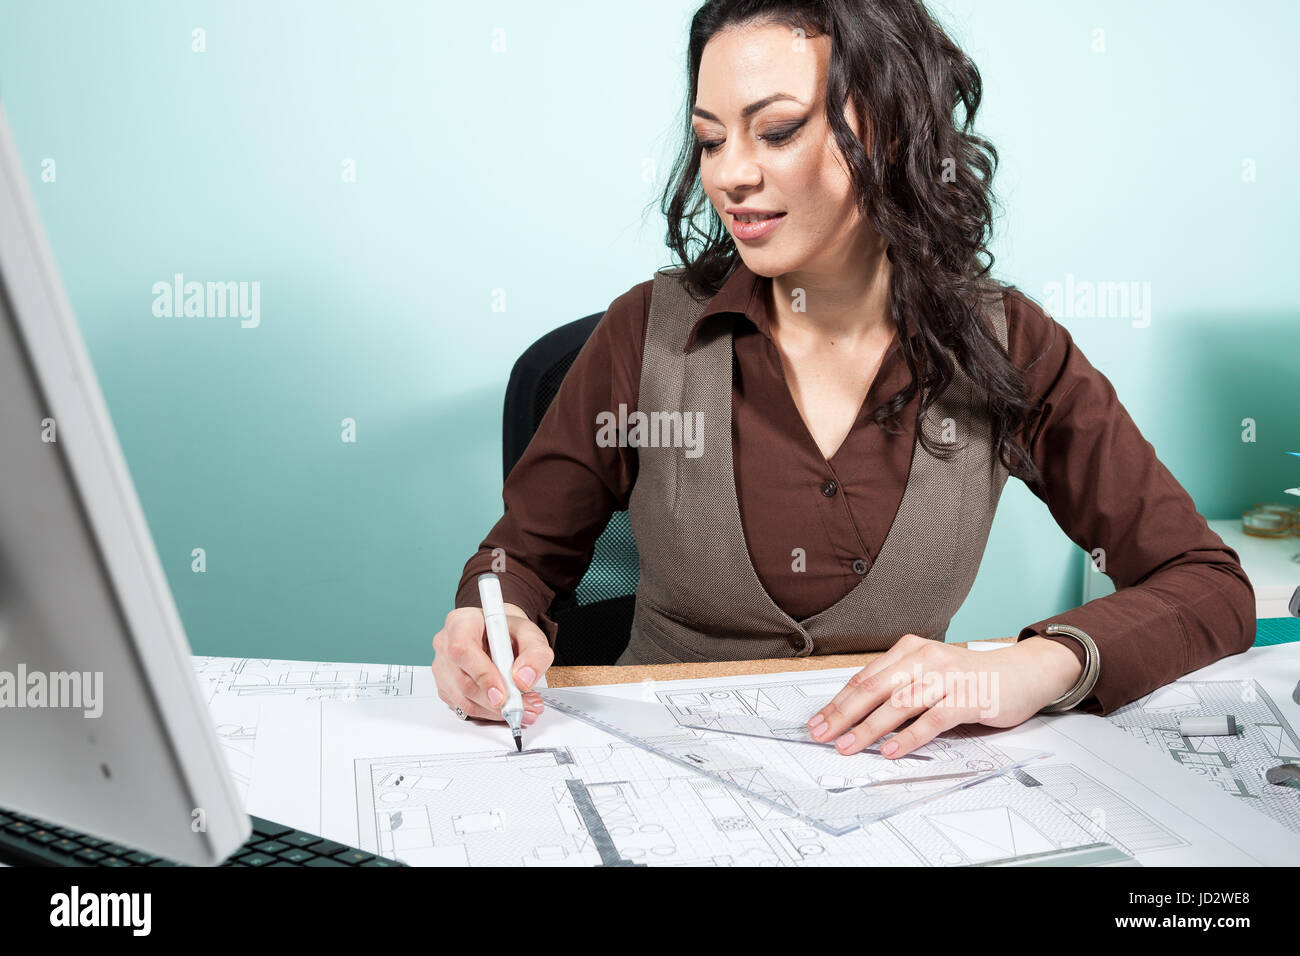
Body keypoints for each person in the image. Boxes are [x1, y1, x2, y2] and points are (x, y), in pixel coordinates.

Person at [432, 0, 1255, 759]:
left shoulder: (1008, 345)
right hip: (658, 768)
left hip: (898, 785)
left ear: (892, 130)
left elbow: (1208, 585)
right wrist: (490, 614)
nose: (729, 176)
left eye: (778, 129)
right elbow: (521, 560)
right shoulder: (643, 332)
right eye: (713, 139)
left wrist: (1029, 665)